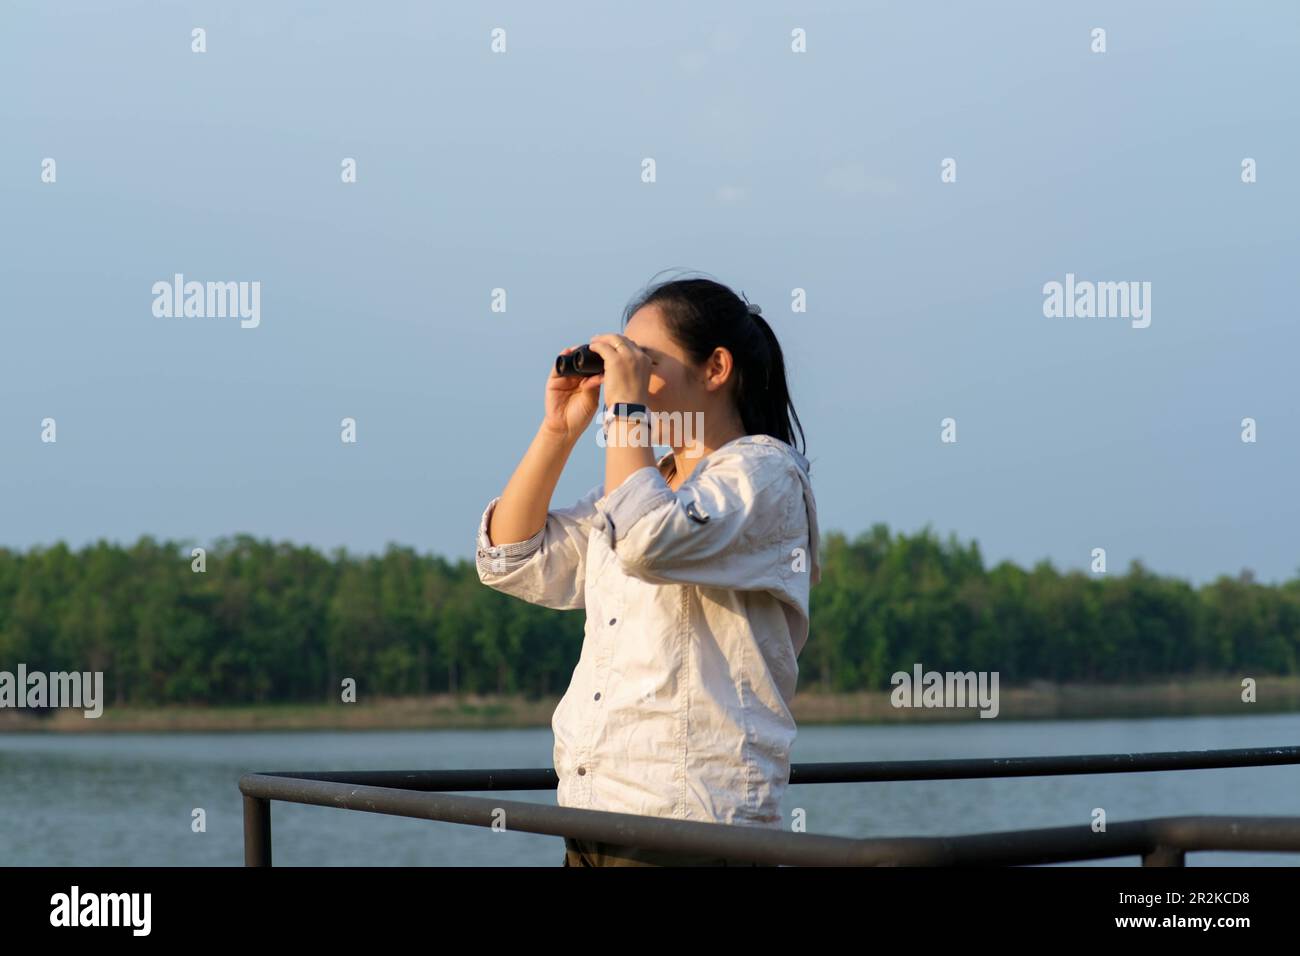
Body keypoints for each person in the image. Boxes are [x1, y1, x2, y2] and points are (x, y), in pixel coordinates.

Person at [474, 272, 820, 866]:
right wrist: (559, 430)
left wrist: (625, 411)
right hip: (592, 814)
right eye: (621, 363)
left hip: (690, 824)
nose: (624, 379)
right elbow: (512, 556)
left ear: (715, 369)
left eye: (644, 361)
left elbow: (646, 540)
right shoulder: (645, 485)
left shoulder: (764, 479)